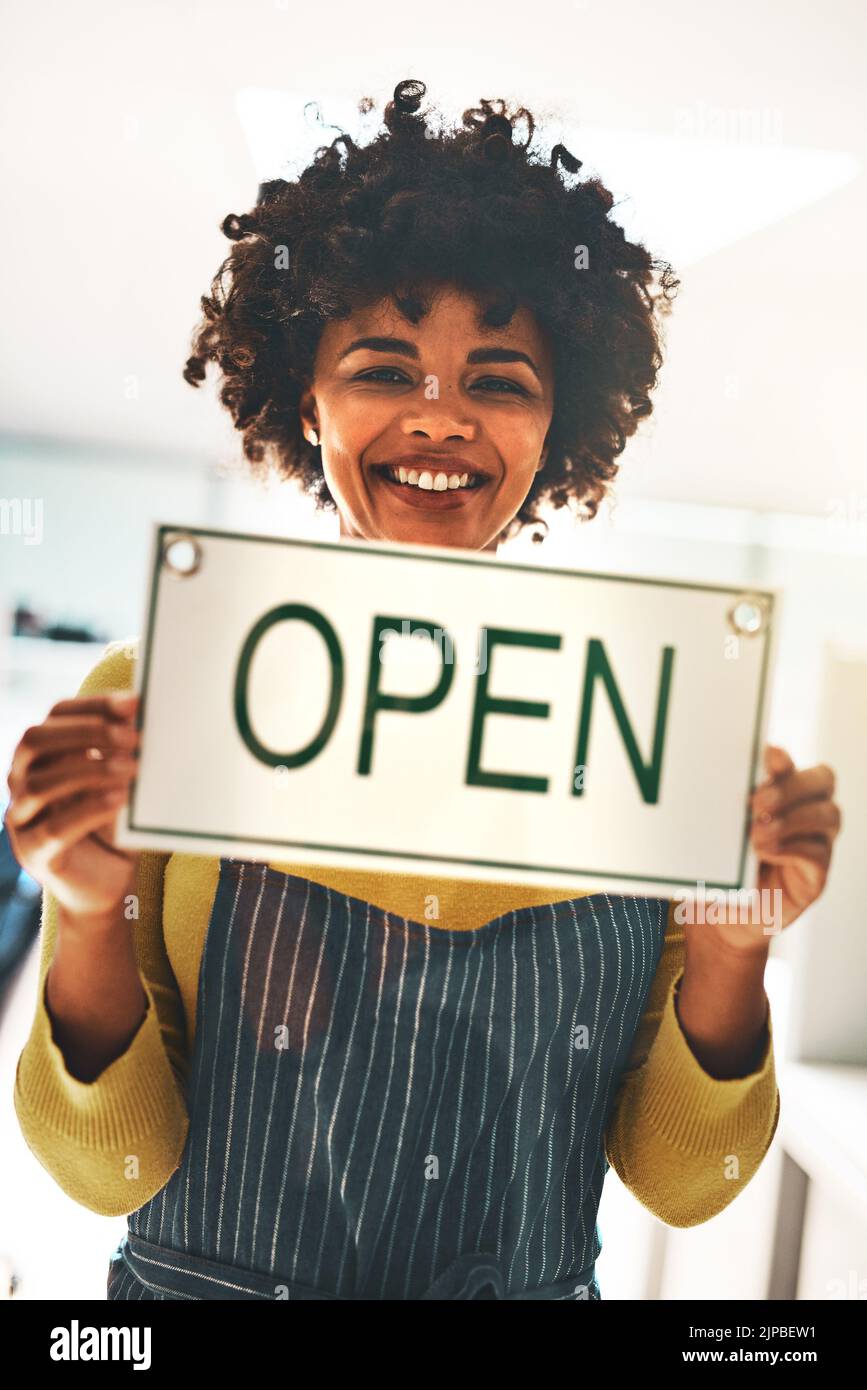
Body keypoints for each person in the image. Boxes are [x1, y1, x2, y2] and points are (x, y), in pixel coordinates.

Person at [7, 79, 841, 1301]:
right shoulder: (167, 691)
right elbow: (103, 1172)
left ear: (555, 429)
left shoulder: (657, 724)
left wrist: (735, 948)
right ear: (308, 399)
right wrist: (85, 917)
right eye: (384, 367)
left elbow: (686, 1184)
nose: (440, 417)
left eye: (499, 380)